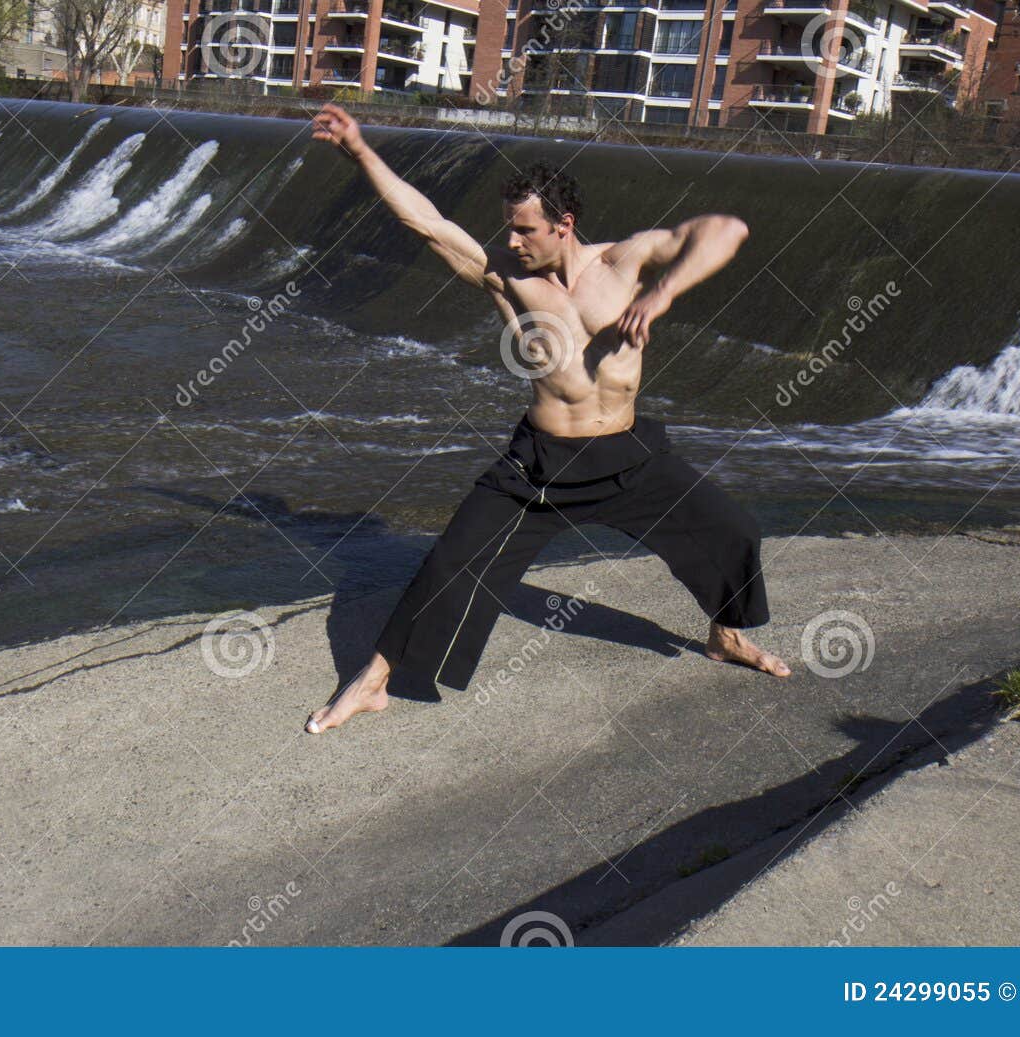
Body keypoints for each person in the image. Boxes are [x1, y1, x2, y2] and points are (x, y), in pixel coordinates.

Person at [305, 104, 790, 736]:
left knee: (732, 530)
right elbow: (425, 222)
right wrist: (361, 151)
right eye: (509, 229)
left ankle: (726, 635)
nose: (512, 241)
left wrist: (662, 291)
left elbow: (726, 228)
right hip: (541, 465)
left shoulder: (624, 263)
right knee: (450, 563)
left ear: (564, 225)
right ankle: (373, 681)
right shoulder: (505, 279)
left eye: (525, 230)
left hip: (629, 455)